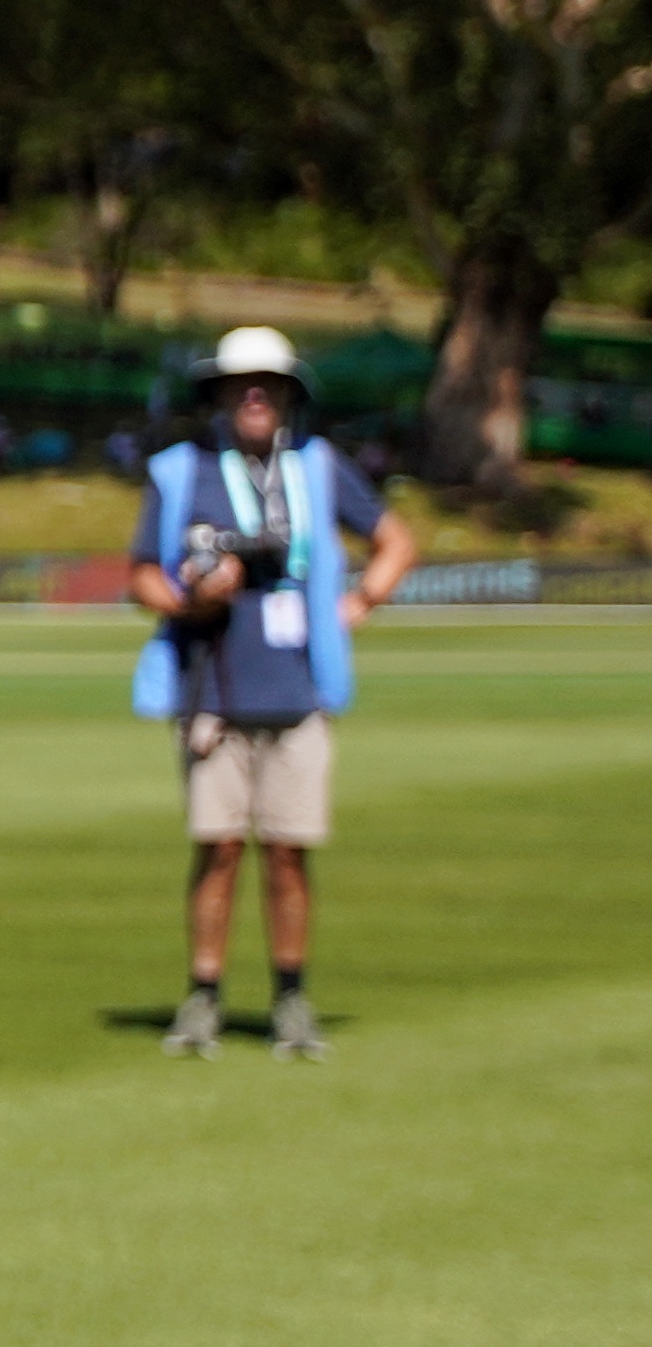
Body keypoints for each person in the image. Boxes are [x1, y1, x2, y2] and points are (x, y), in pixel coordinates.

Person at [139, 321, 401, 1055]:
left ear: (288, 396)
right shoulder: (182, 469)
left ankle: (290, 997)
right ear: (220, 394)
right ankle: (204, 996)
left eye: (270, 384)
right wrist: (194, 601)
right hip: (213, 692)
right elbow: (139, 575)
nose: (255, 395)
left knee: (289, 852)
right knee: (217, 847)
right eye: (241, 383)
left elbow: (396, 539)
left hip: (299, 691)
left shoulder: (318, 467)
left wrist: (359, 603)